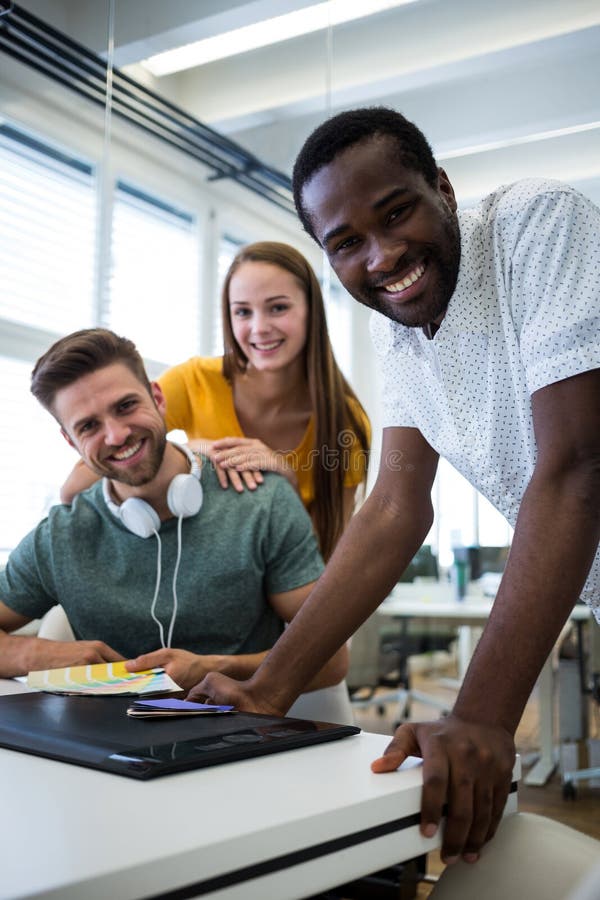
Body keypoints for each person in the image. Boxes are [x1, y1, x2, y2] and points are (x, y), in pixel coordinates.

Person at [189, 108, 600, 865]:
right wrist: (269, 688)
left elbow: (577, 465)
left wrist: (481, 717)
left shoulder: (536, 224)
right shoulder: (397, 324)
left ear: (442, 188)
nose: (382, 256)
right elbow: (394, 506)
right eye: (346, 243)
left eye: (396, 212)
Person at [0, 328, 347, 694]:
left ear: (158, 397)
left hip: (241, 723)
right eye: (89, 426)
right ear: (70, 441)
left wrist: (214, 669)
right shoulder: (61, 536)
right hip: (108, 725)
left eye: (125, 406)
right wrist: (37, 654)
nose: (116, 435)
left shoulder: (261, 503)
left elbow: (331, 660)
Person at [61, 242, 371, 562]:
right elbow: (75, 487)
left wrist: (287, 481)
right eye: (243, 312)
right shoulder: (193, 381)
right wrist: (194, 449)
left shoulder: (345, 422)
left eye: (278, 307)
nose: (259, 328)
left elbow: (324, 560)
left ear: (312, 312)